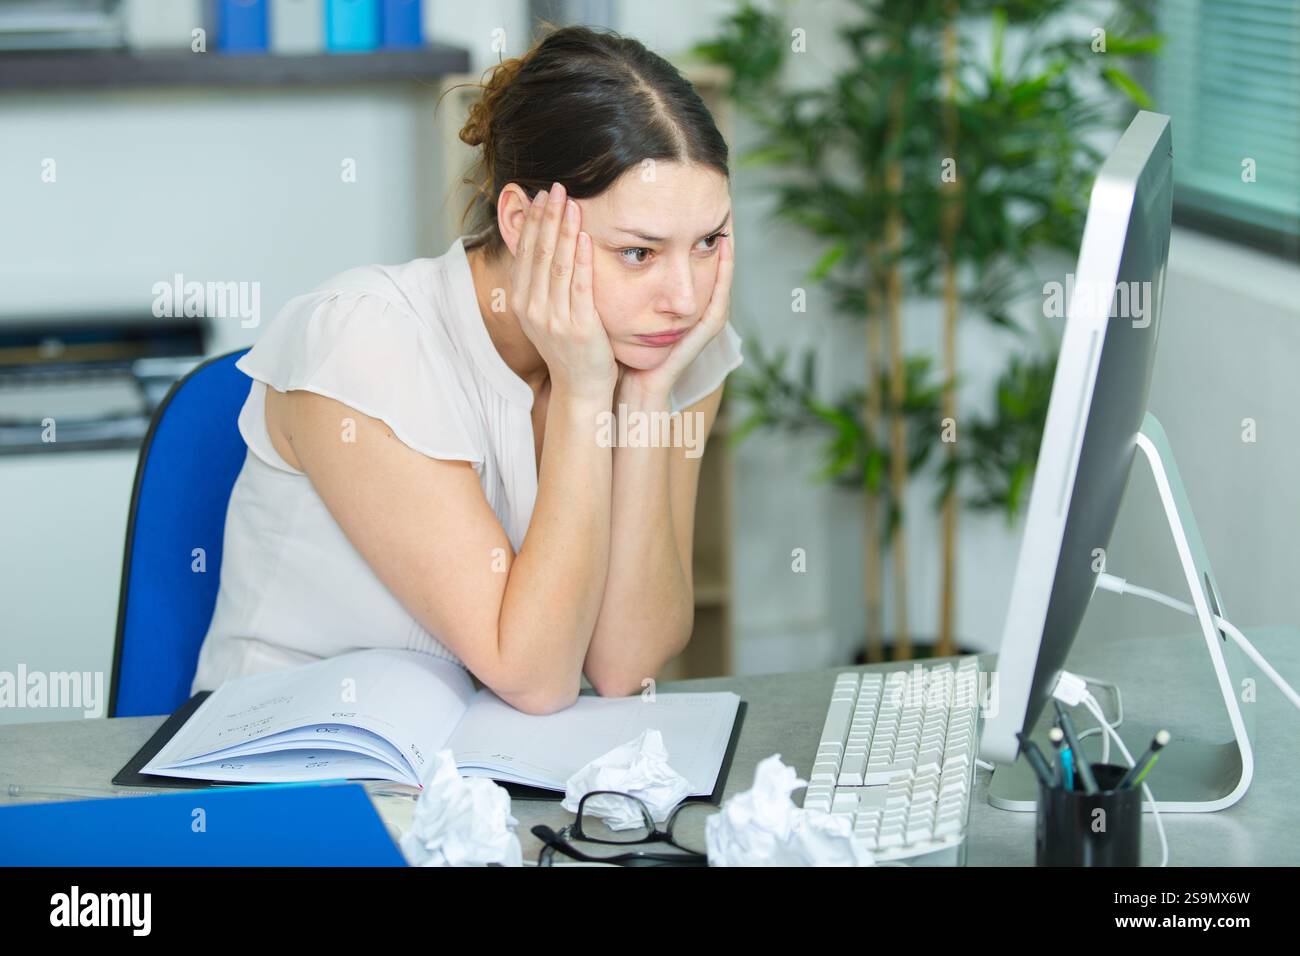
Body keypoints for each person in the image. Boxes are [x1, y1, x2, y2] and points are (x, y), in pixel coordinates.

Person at [190, 24, 744, 714]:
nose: (685, 299)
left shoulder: (669, 349)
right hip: (289, 761)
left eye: (708, 243)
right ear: (521, 220)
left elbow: (623, 667)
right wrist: (582, 394)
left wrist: (646, 401)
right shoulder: (363, 340)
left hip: (486, 770)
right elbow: (536, 677)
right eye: (639, 252)